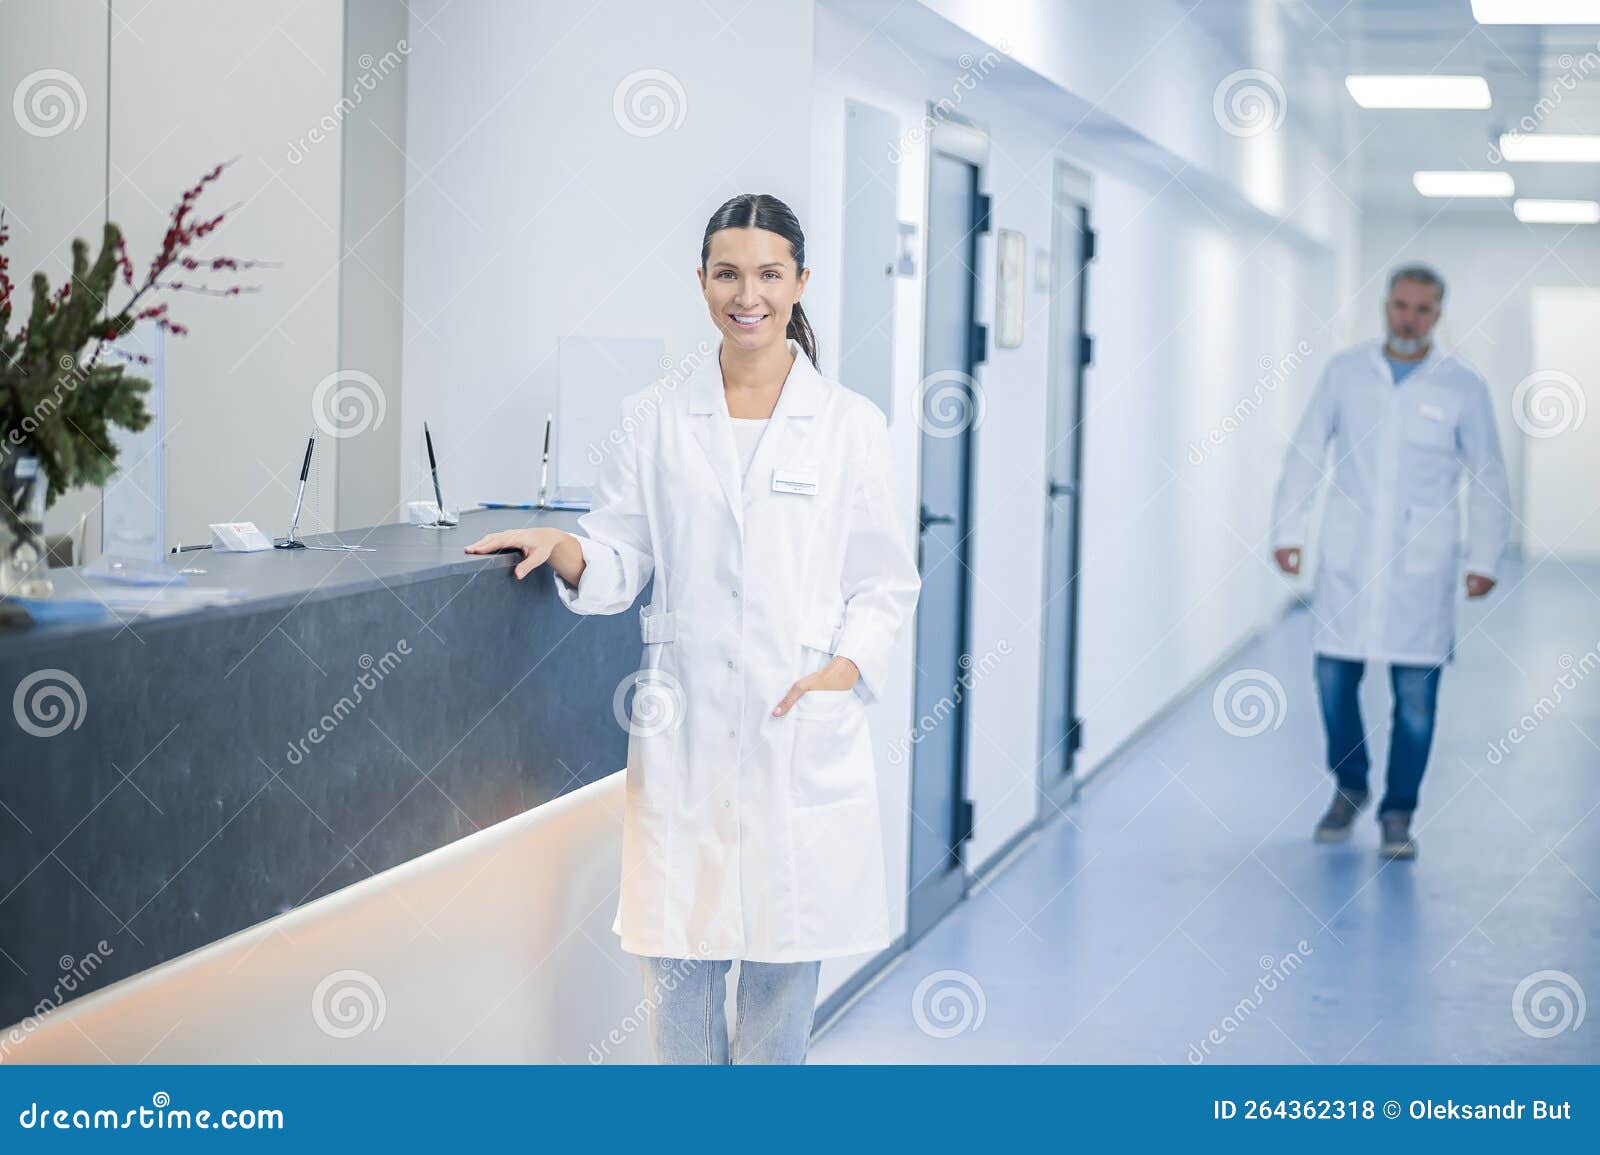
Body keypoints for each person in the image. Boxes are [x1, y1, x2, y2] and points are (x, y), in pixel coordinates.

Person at [464, 193, 920, 1062]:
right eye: (726, 273)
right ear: (702, 281)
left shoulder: (851, 426)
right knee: (678, 993)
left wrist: (842, 669)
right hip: (687, 735)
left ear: (800, 282)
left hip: (797, 727)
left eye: (767, 273)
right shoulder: (655, 414)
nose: (746, 294)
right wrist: (565, 546)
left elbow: (884, 580)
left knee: (779, 1005)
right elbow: (625, 552)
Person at [1270, 263, 1510, 860]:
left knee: (1417, 700)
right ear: (1385, 306)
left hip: (1420, 567)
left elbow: (1488, 476)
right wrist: (1287, 529)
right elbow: (1305, 453)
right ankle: (1350, 785)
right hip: (1348, 557)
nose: (1410, 318)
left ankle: (1398, 809)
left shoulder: (1462, 386)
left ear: (1438, 314)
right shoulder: (1346, 373)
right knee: (1332, 681)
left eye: (1423, 309)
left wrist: (1485, 555)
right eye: (1401, 306)